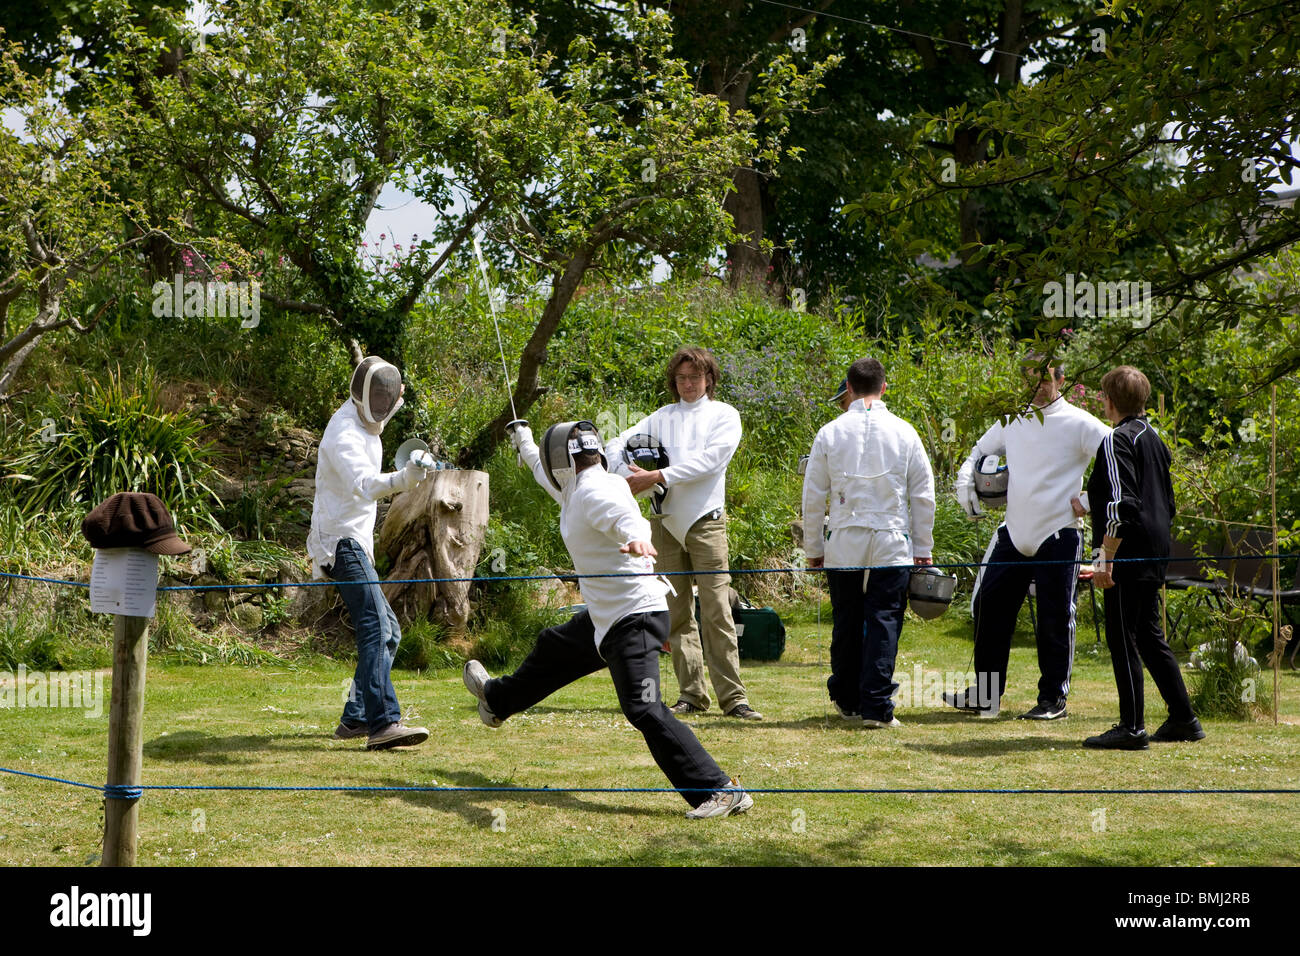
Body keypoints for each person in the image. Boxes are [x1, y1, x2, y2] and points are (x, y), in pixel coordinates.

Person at [462, 419, 753, 818]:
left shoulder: (595, 490)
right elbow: (538, 467)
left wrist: (638, 537)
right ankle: (496, 700)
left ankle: (719, 790)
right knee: (554, 647)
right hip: (608, 616)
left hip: (633, 619)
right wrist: (524, 438)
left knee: (644, 708)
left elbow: (623, 517)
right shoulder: (576, 487)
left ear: (562, 462)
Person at [945, 355, 1111, 720]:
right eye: (1029, 380)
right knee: (987, 607)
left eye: (1044, 379)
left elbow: (1119, 460)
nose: (1037, 387)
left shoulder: (1081, 424)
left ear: (1061, 379)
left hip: (1059, 534)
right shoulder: (1012, 419)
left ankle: (1053, 701)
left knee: (1054, 619)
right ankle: (987, 696)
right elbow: (978, 451)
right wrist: (964, 487)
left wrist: (1087, 500)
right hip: (1014, 533)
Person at [603, 347, 761, 720]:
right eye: (682, 378)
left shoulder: (725, 415)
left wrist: (655, 477)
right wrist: (627, 476)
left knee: (717, 610)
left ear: (709, 378)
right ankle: (691, 695)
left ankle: (734, 699)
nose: (688, 384)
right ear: (674, 382)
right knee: (675, 614)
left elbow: (711, 462)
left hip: (706, 521)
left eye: (695, 377)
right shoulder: (662, 417)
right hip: (664, 523)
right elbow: (613, 445)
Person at [802, 358, 936, 727]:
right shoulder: (905, 431)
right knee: (884, 619)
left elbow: (813, 496)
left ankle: (847, 699)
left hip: (845, 539)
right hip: (891, 540)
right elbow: (923, 494)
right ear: (884, 386)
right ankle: (875, 706)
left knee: (847, 618)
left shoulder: (829, 432)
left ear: (848, 386)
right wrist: (922, 548)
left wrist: (814, 548)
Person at [307, 356, 431, 750]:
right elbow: (363, 483)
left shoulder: (364, 419)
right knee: (378, 627)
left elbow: (379, 417)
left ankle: (355, 718)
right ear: (362, 398)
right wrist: (404, 479)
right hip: (341, 542)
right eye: (380, 398)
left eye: (389, 398)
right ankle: (383, 723)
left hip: (355, 539)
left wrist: (394, 403)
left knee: (389, 630)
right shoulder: (343, 433)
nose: (386, 404)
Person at [1078, 366, 1205, 749]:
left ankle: (1131, 727)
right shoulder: (1156, 440)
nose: (1101, 400)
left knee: (1123, 636)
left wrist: (1105, 558)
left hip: (1128, 552)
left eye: (1102, 395)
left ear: (1111, 401)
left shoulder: (1117, 440)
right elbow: (1168, 503)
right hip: (1156, 549)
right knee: (1150, 636)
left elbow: (1120, 504)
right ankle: (1184, 718)